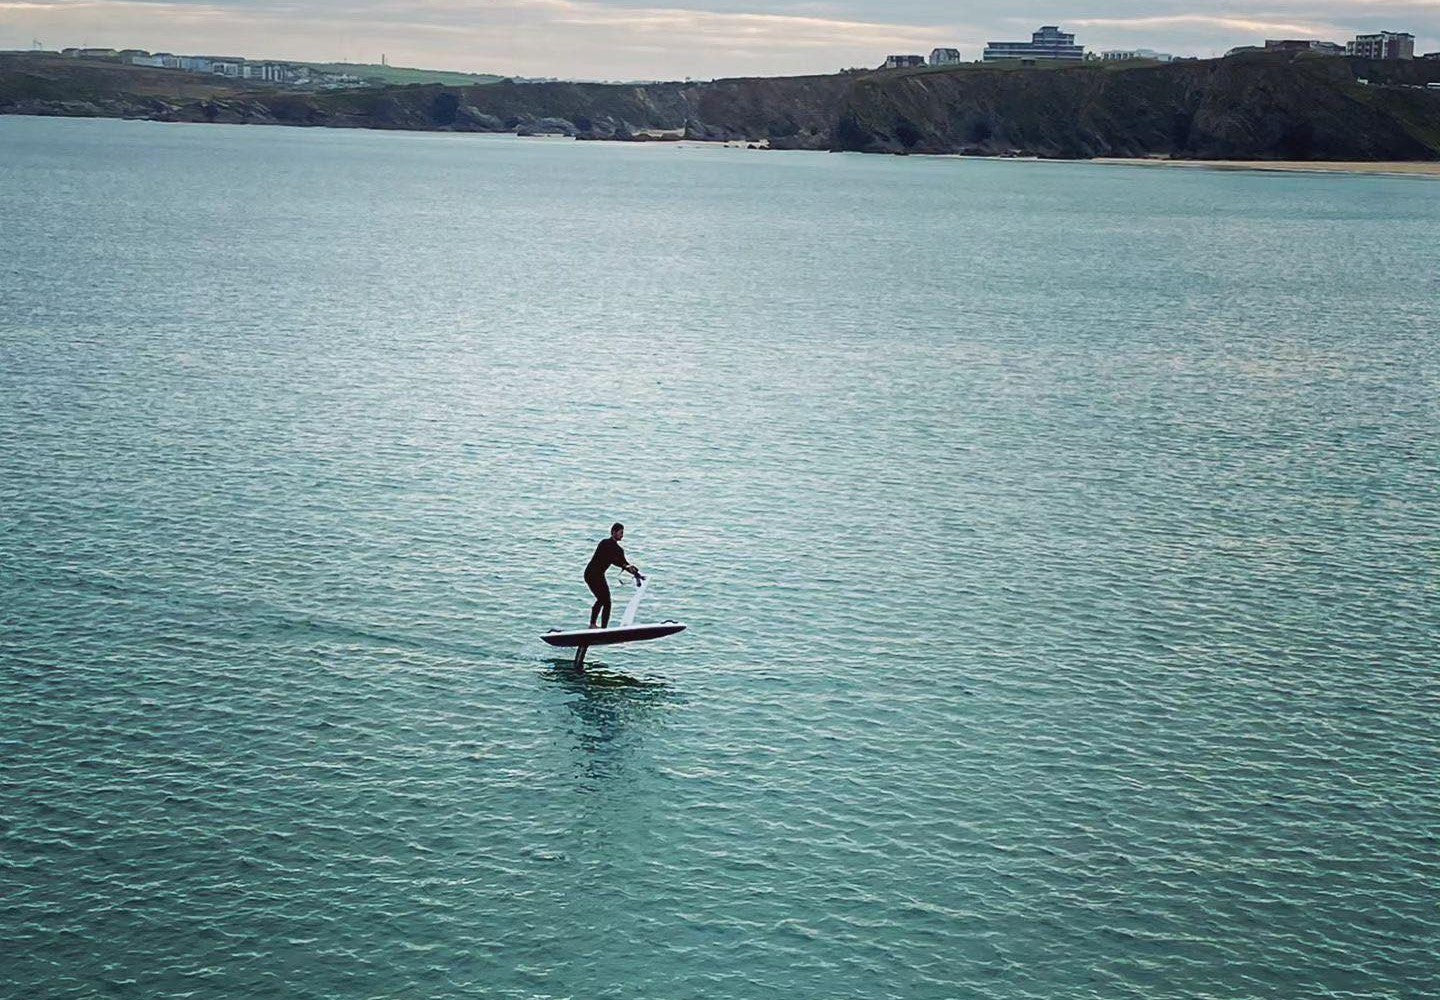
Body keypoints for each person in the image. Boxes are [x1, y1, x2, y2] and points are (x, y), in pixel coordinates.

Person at [585, 522, 642, 628]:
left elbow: (624, 563)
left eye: (623, 533)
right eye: (620, 533)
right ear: (613, 532)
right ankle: (592, 624)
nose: (622, 535)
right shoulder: (604, 543)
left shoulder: (619, 550)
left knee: (607, 601)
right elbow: (613, 559)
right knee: (603, 599)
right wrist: (625, 566)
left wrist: (636, 573)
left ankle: (604, 628)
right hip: (591, 573)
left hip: (599, 575)